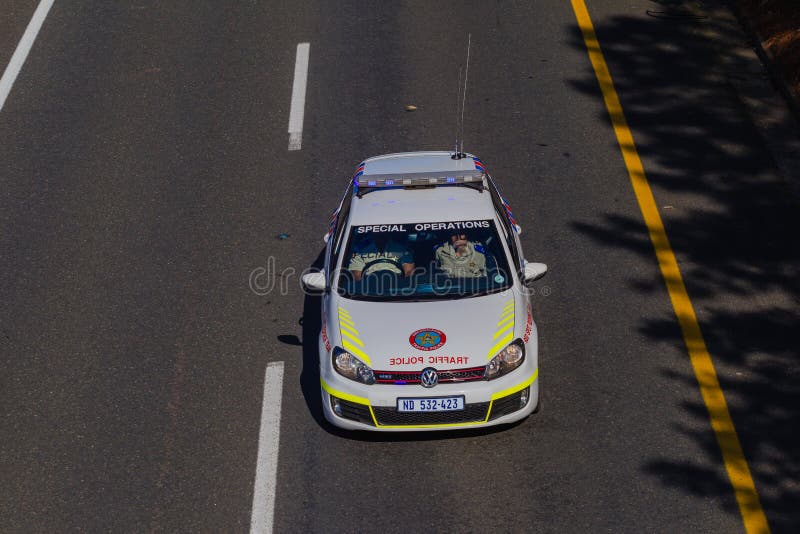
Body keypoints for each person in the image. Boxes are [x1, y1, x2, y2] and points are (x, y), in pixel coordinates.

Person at [348, 233, 415, 281]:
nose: (381, 234)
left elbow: (408, 274)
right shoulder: (360, 252)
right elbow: (357, 278)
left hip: (396, 287)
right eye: (378, 233)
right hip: (369, 288)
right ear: (372, 233)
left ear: (389, 233)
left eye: (384, 232)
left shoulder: (402, 250)